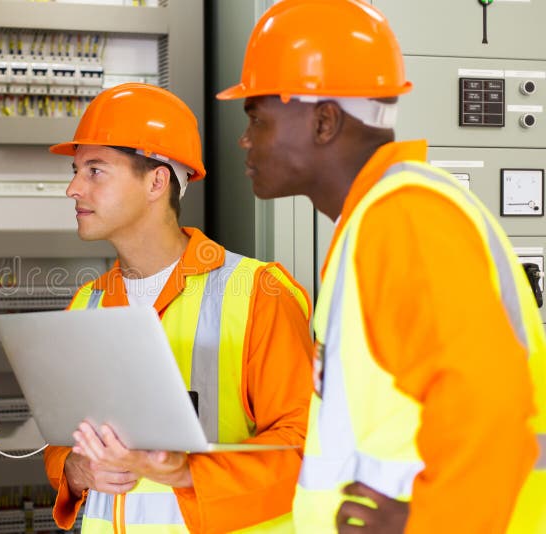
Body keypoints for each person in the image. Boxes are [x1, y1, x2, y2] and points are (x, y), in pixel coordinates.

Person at [217, 1, 546, 533]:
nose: (246, 139)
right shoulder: (373, 222)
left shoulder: (404, 219)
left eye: (258, 118)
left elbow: (492, 410)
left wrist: (430, 525)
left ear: (324, 120)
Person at [41, 82, 315, 533]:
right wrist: (74, 471)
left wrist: (188, 473)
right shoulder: (86, 304)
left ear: (156, 181)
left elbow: (304, 449)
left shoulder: (259, 293)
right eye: (75, 170)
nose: (73, 188)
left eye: (95, 171)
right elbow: (64, 440)